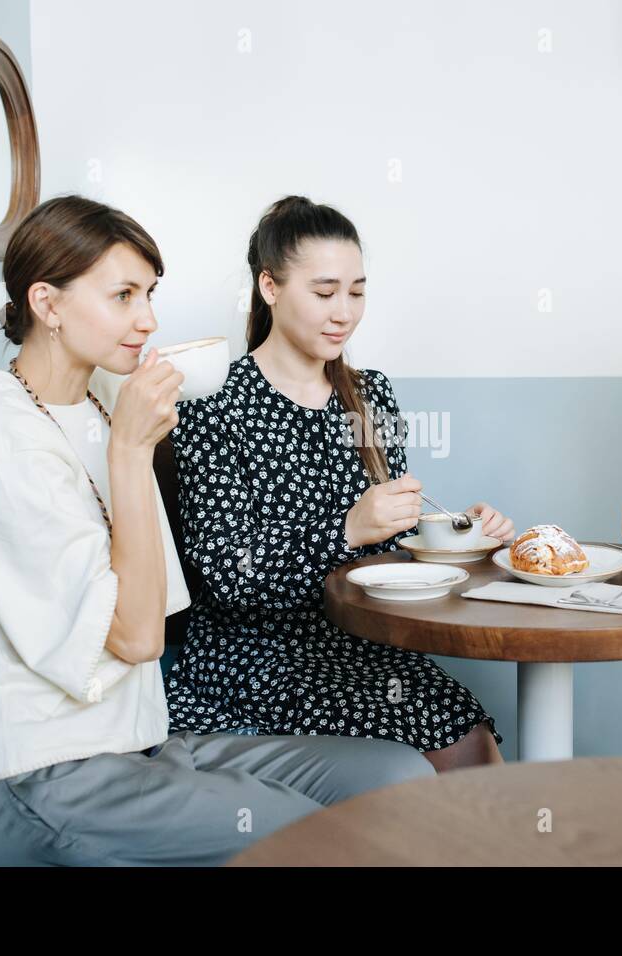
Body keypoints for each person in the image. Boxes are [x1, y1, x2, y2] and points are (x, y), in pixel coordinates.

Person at [0, 195, 434, 866]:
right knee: (318, 843)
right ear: (47, 305)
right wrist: (133, 455)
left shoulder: (101, 400)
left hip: (141, 740)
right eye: (124, 296)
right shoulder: (1, 435)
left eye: (150, 293)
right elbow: (138, 637)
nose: (149, 320)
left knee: (401, 780)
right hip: (34, 773)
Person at [165, 195, 513, 770]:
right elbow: (225, 576)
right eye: (324, 293)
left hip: (361, 643)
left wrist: (463, 534)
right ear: (269, 288)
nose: (344, 313)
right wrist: (346, 528)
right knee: (457, 745)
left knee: (469, 734)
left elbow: (389, 549)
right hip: (252, 660)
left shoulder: (369, 394)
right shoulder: (213, 403)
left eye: (357, 292)